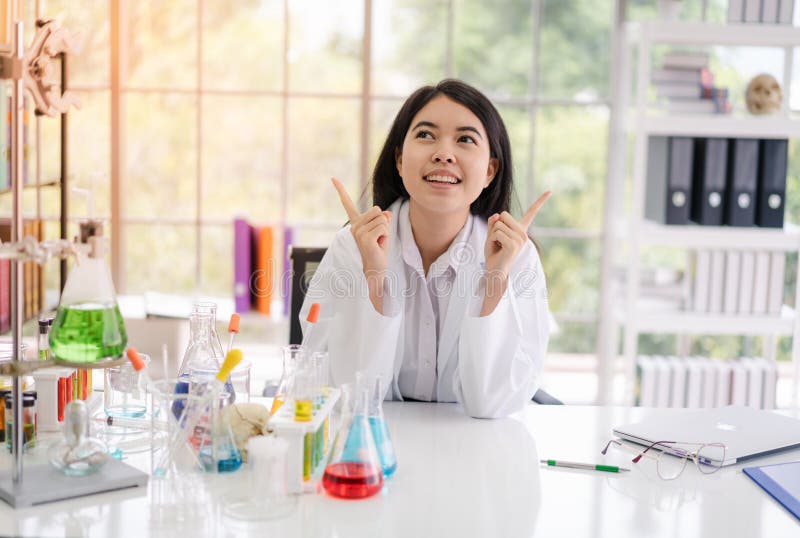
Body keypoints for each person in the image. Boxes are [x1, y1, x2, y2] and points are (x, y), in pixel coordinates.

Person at [300, 79, 550, 418]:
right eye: (426, 135)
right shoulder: (353, 246)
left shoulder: (515, 256)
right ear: (400, 161)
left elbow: (491, 404)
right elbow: (344, 394)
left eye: (465, 139)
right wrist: (375, 277)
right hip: (378, 443)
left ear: (490, 170)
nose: (443, 153)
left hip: (472, 450)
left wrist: (495, 281)